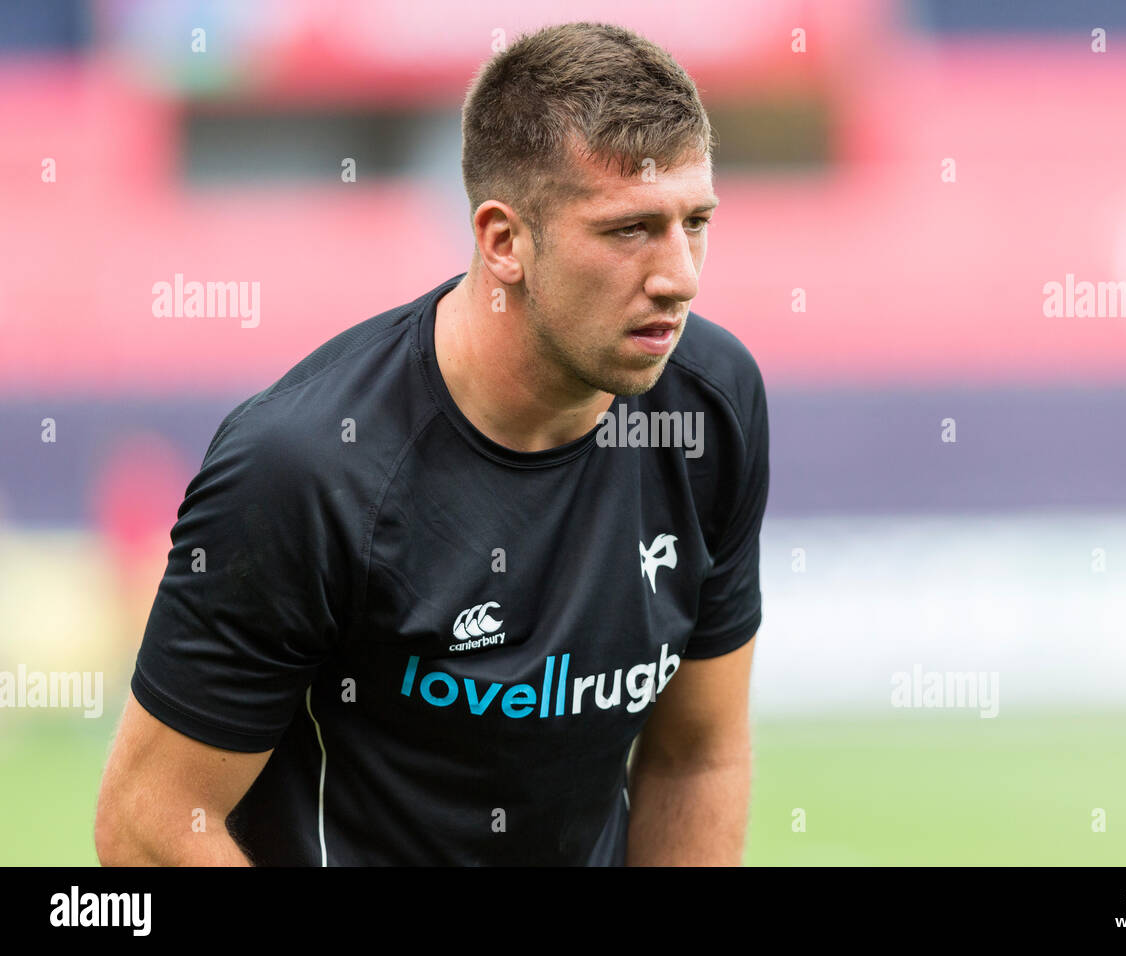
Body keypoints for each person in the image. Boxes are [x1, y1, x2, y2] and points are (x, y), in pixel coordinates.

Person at [94, 20, 769, 866]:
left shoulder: (711, 407)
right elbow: (150, 822)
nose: (681, 276)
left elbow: (696, 754)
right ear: (504, 241)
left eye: (694, 221)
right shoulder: (303, 468)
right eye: (629, 229)